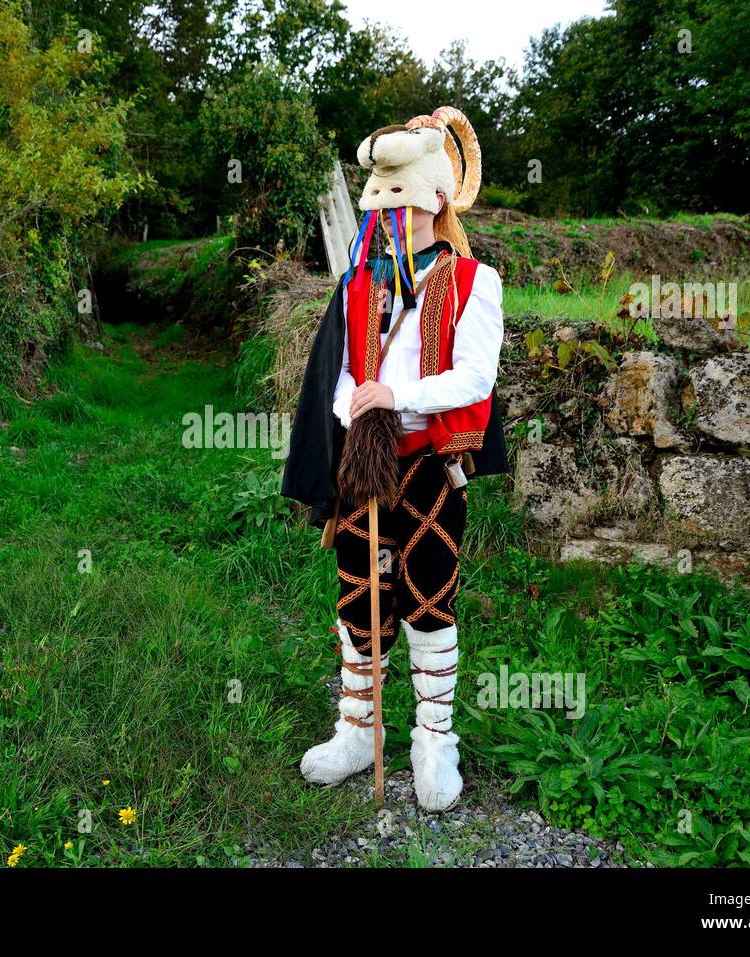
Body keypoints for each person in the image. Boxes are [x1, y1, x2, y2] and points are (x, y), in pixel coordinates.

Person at [281, 106, 507, 812]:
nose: (393, 220)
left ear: (436, 200)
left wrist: (394, 393)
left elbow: (476, 379)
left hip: (434, 465)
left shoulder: (476, 281)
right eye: (384, 206)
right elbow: (342, 373)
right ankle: (357, 730)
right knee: (360, 594)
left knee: (429, 595)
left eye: (405, 205)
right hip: (365, 464)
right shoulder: (359, 284)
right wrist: (358, 408)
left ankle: (434, 741)